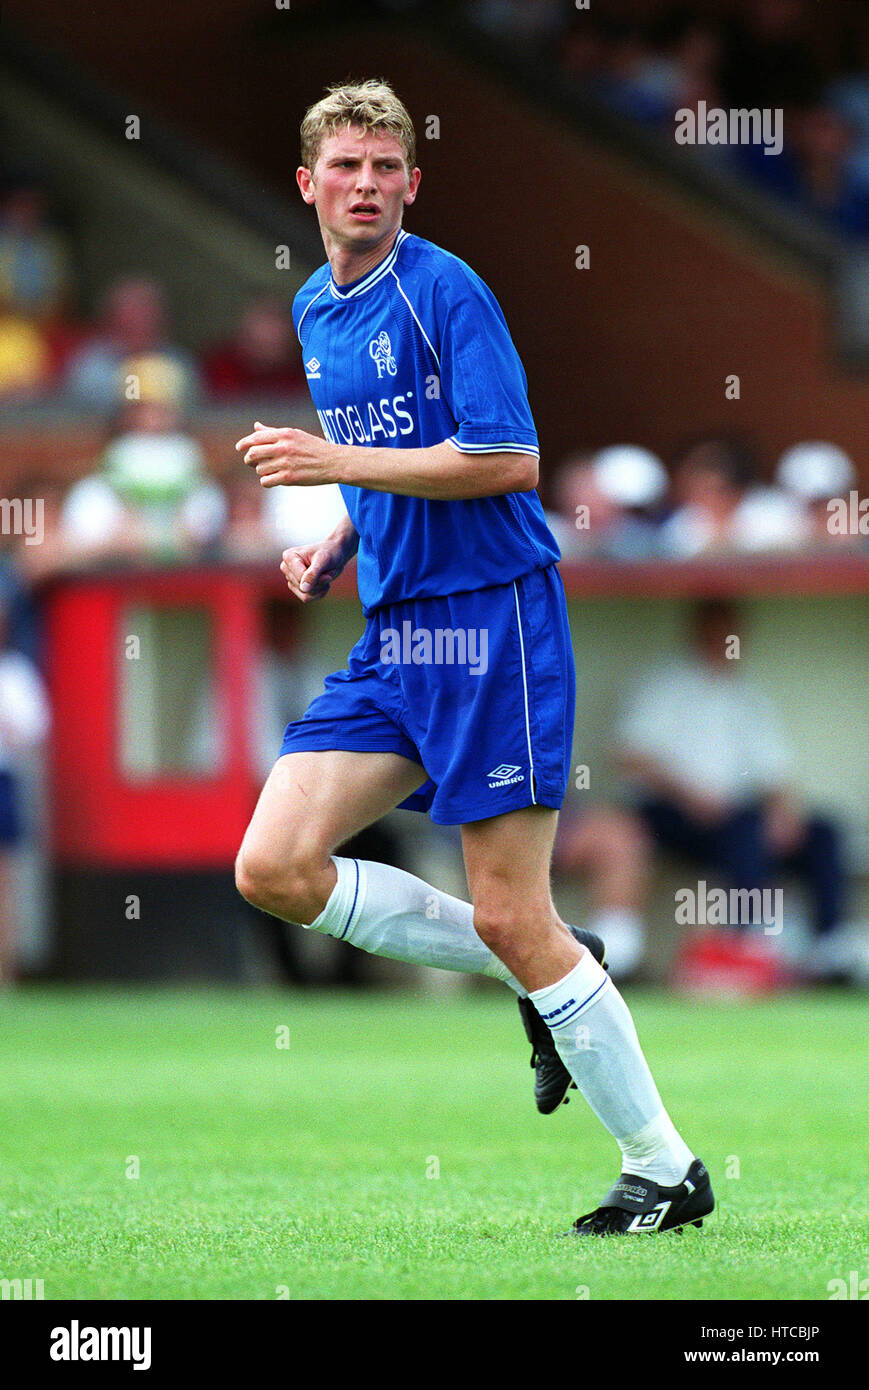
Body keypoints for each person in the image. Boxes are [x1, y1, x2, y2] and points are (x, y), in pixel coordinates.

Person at [233, 79, 712, 1236]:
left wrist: (329, 462)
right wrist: (341, 535)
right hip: (394, 632)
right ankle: (545, 965)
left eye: (385, 167)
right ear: (308, 184)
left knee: (512, 911)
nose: (365, 185)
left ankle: (662, 1166)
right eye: (344, 167)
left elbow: (504, 459)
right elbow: (393, 455)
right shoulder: (314, 306)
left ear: (410, 180)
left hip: (490, 621)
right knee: (273, 867)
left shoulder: (446, 289)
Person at [614, 600, 859, 981]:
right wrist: (691, 796)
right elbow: (632, 756)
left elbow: (773, 773)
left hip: (737, 816)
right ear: (698, 633)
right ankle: (746, 942)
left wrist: (783, 815)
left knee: (824, 830)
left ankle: (831, 948)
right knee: (745, 826)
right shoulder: (666, 686)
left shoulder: (748, 697)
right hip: (671, 812)